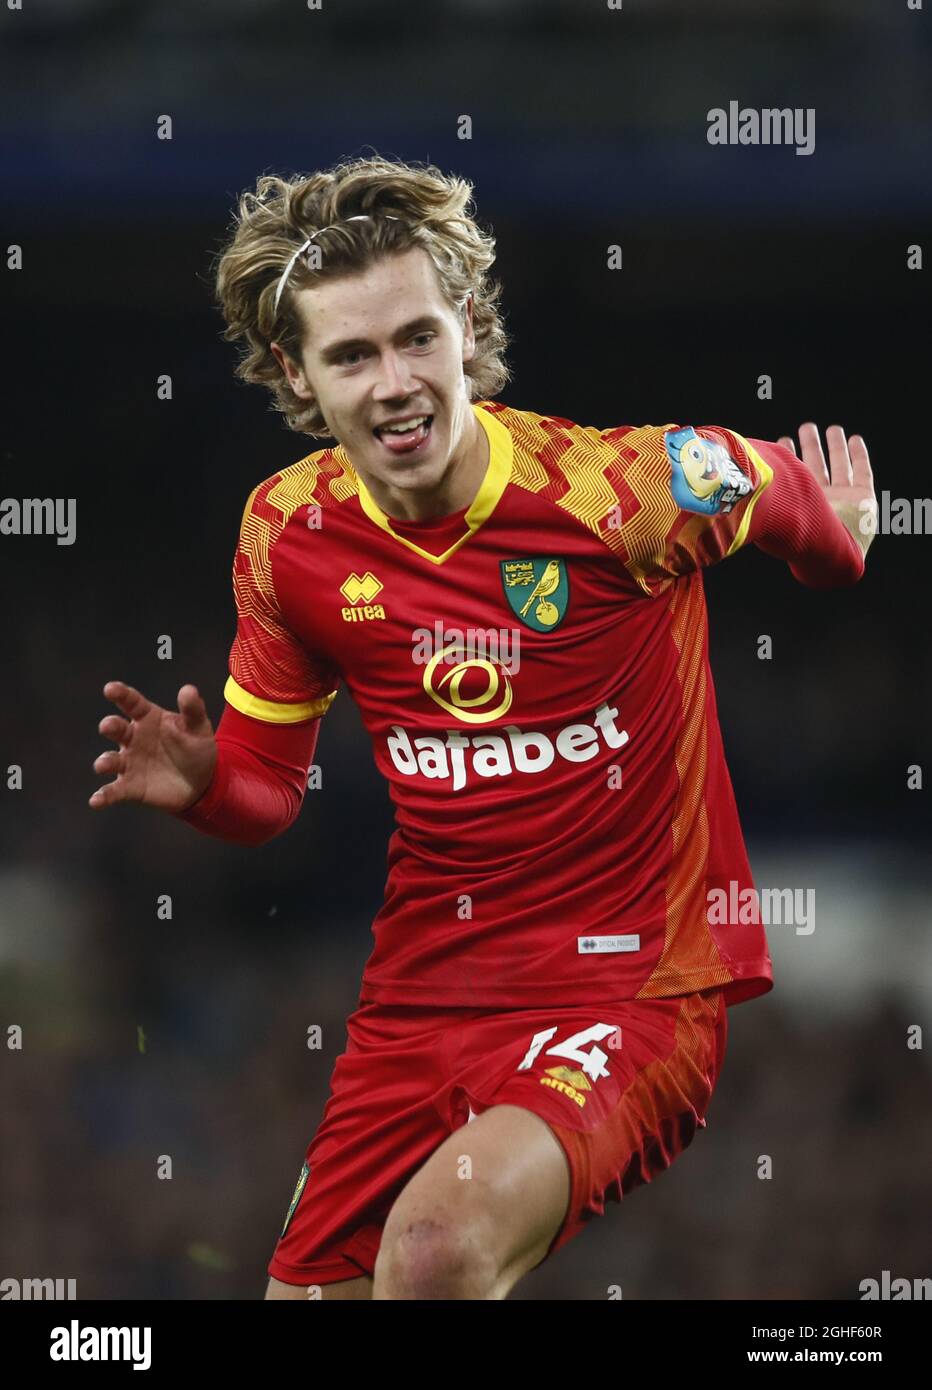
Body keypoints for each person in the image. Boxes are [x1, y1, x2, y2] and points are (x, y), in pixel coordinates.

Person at [89, 155, 875, 1301]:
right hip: (420, 1000)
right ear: (295, 373)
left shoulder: (625, 490)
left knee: (434, 1251)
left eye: (417, 338)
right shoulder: (288, 533)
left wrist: (840, 541)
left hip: (629, 986)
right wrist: (210, 782)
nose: (395, 383)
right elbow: (267, 787)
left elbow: (784, 492)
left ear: (465, 325)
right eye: (351, 355)